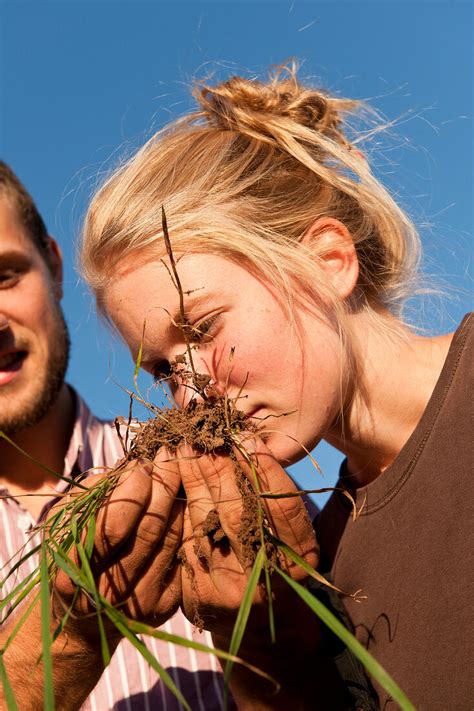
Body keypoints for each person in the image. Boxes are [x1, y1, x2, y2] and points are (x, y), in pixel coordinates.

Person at [79, 63, 473, 710]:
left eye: (203, 326)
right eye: (162, 370)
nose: (191, 393)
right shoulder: (317, 557)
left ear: (327, 261)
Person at [0, 162, 235, 710]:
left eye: (5, 276)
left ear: (54, 267)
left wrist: (275, 646)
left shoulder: (199, 466)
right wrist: (66, 641)